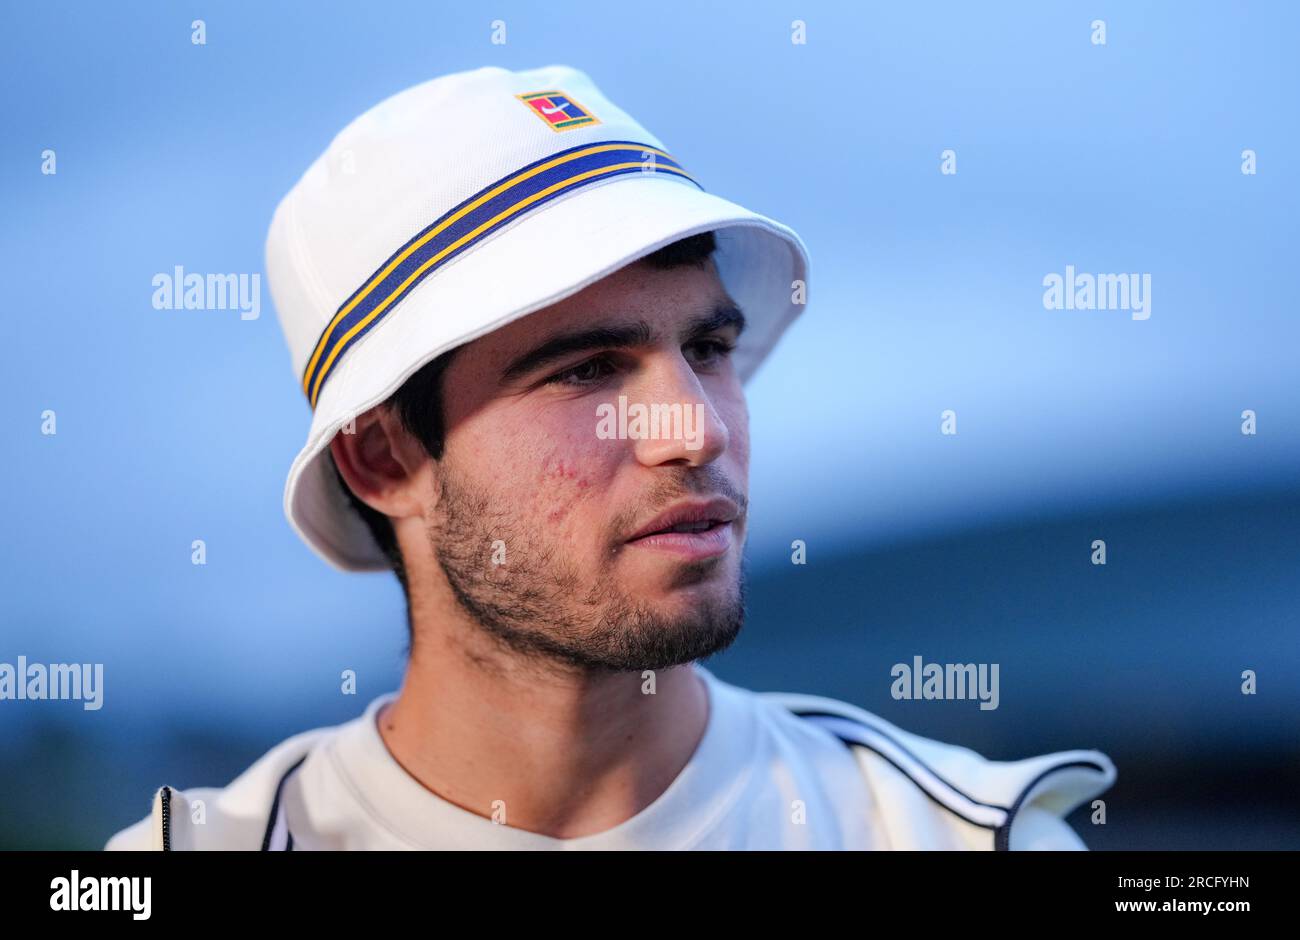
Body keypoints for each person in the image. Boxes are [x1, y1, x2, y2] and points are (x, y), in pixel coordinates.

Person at [105, 64, 1114, 851]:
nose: (698, 428)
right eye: (587, 371)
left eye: (708, 349)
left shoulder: (959, 833)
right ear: (383, 460)